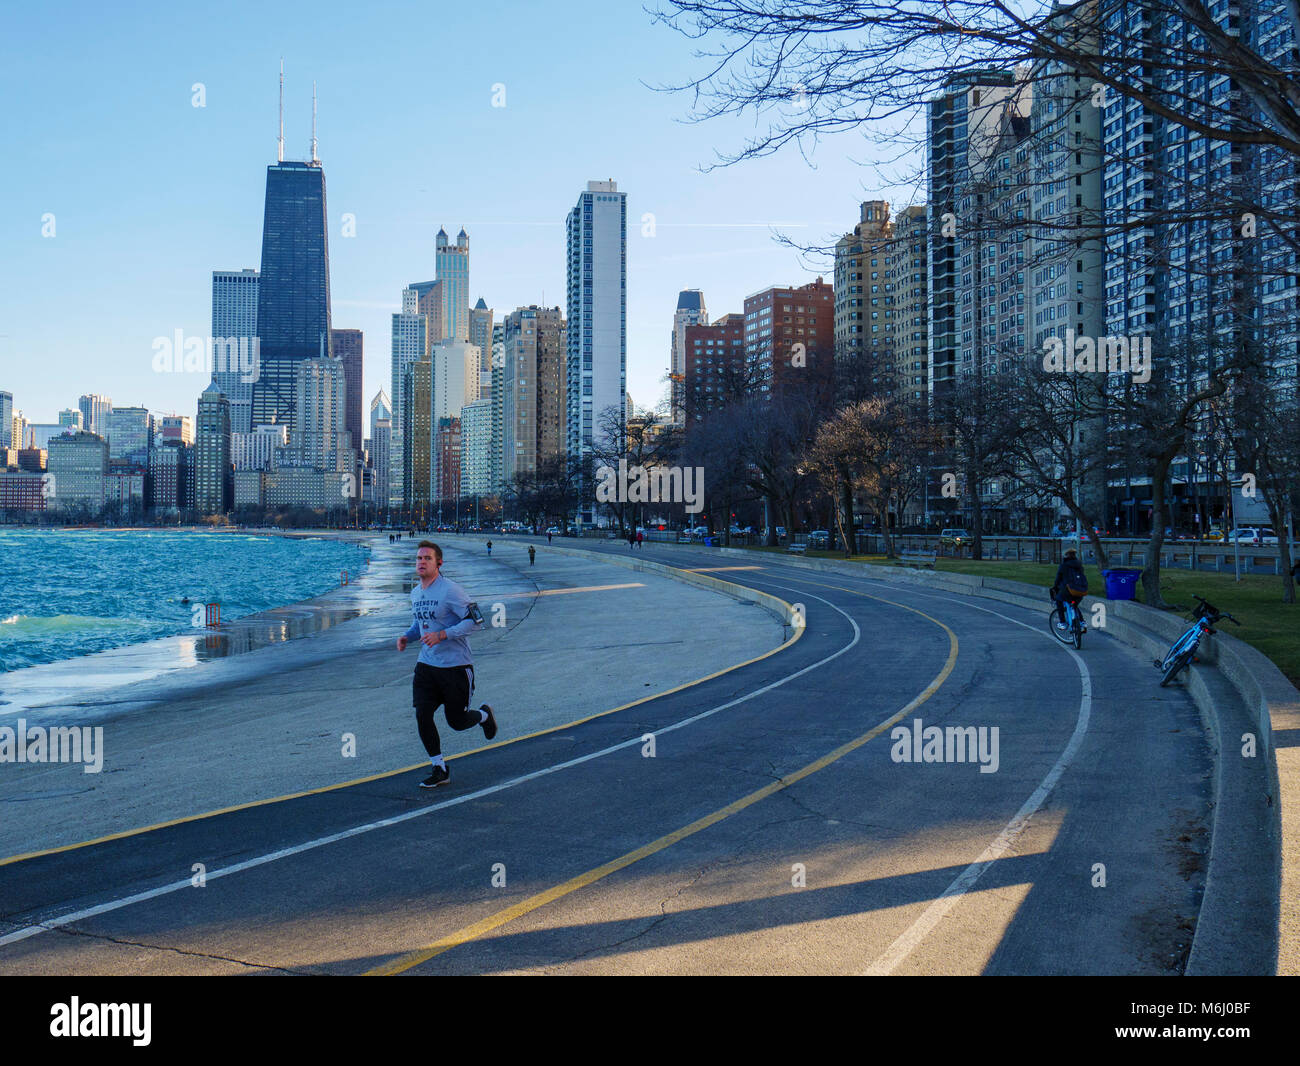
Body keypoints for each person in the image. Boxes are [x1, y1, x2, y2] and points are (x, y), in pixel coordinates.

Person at [396, 541, 497, 789]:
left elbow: (477, 621)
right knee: (422, 714)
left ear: (439, 563)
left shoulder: (452, 591)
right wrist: (407, 637)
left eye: (427, 558)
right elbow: (420, 625)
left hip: (455, 668)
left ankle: (484, 715)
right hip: (427, 667)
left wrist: (443, 635)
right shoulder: (416, 592)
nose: (421, 562)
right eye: (418, 558)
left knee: (457, 721)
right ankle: (439, 768)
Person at [1051, 548, 1089, 629]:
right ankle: (1082, 622)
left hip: (1069, 591)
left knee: (1059, 600)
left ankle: (1062, 623)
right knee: (1074, 605)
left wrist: (1055, 587)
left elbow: (1058, 579)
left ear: (1066, 555)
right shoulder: (1079, 565)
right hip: (1081, 591)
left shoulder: (1064, 566)